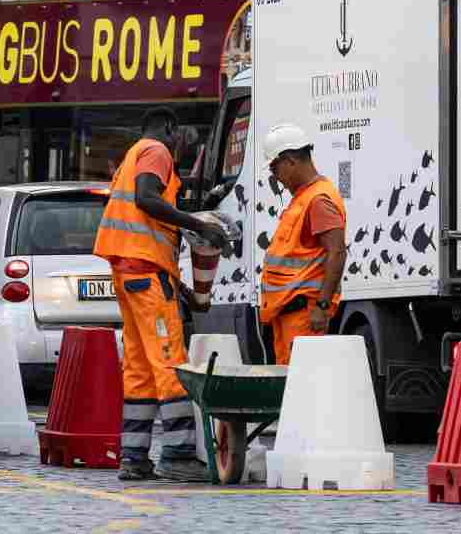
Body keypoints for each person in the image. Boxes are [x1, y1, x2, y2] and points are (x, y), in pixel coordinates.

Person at [93, 108, 229, 482]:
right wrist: (198, 224)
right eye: (183, 132)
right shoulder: (156, 151)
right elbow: (147, 199)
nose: (185, 142)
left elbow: (145, 214)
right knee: (171, 363)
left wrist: (180, 284)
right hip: (145, 275)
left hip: (129, 273)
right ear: (170, 127)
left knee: (139, 369)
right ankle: (178, 454)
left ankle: (134, 457)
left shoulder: (132, 155)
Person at [259, 124, 347, 365]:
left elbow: (337, 252)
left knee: (301, 388)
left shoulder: (317, 200)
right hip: (289, 315)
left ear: (289, 161)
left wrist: (322, 305)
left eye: (275, 169)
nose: (275, 178)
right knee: (291, 388)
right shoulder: (304, 197)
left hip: (304, 316)